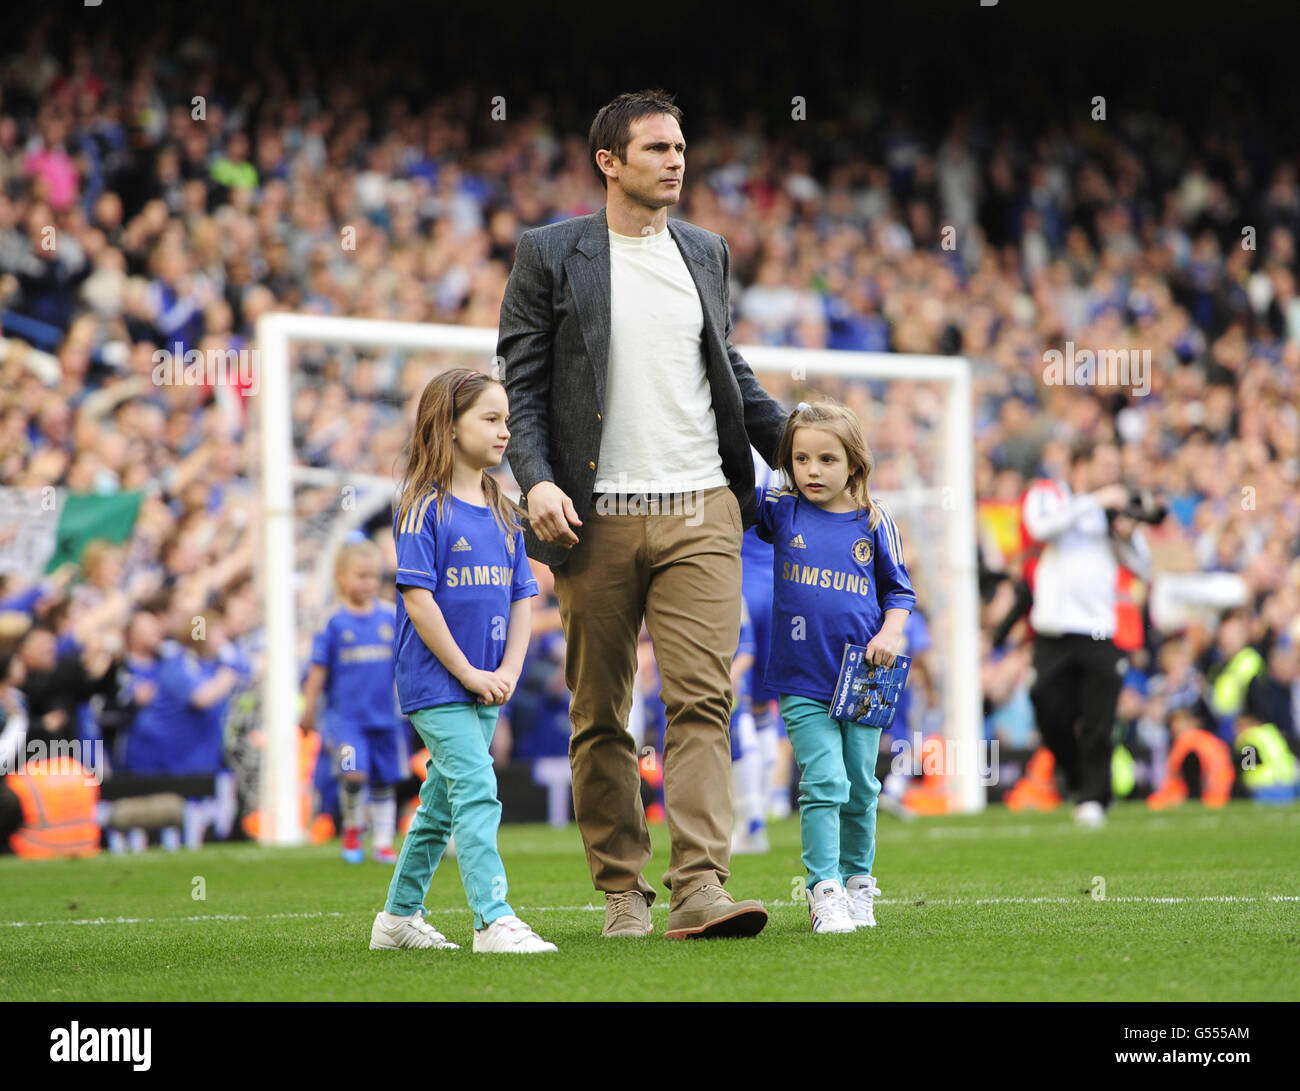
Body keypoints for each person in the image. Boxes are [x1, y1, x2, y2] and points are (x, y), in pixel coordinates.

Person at [497, 89, 787, 940]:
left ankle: (700, 885)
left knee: (702, 701)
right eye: (657, 147)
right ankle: (623, 889)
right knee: (601, 712)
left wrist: (799, 439)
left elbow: (725, 365)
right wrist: (537, 479)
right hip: (593, 516)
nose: (676, 159)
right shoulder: (550, 253)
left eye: (681, 146)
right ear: (609, 162)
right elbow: (521, 383)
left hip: (704, 504)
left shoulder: (706, 249)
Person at [369, 368, 556, 954]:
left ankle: (397, 918)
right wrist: (469, 672)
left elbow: (525, 594)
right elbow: (419, 603)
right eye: (491, 419)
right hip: (437, 683)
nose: (505, 432)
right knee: (478, 789)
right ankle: (491, 920)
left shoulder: (503, 507)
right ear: (449, 427)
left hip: (488, 683)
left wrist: (509, 669)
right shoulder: (423, 506)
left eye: (507, 419)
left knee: (442, 802)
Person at [755, 400, 915, 934]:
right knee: (823, 780)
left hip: (864, 679)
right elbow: (729, 491)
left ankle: (857, 883)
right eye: (801, 459)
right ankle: (822, 890)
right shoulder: (781, 509)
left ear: (854, 464)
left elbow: (900, 593)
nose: (812, 471)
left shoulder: (874, 520)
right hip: (802, 678)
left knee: (862, 785)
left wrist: (891, 632)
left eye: (826, 459)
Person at [1021, 439, 1153, 827]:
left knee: (1099, 719)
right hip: (1054, 631)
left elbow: (1144, 568)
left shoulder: (1113, 513)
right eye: (1106, 462)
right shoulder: (1049, 495)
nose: (1113, 472)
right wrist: (1094, 502)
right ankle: (1081, 780)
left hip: (1099, 631)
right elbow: (1039, 528)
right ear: (1081, 464)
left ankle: (1093, 798)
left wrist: (1124, 532)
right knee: (1048, 709)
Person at [301, 539, 406, 865]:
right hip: (346, 720)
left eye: (374, 577)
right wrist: (307, 710)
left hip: (385, 717)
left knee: (384, 778)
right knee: (354, 773)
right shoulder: (333, 622)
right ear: (341, 578)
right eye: (361, 576)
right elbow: (319, 670)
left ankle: (384, 842)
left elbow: (402, 665)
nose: (369, 584)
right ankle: (352, 826)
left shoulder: (390, 617)